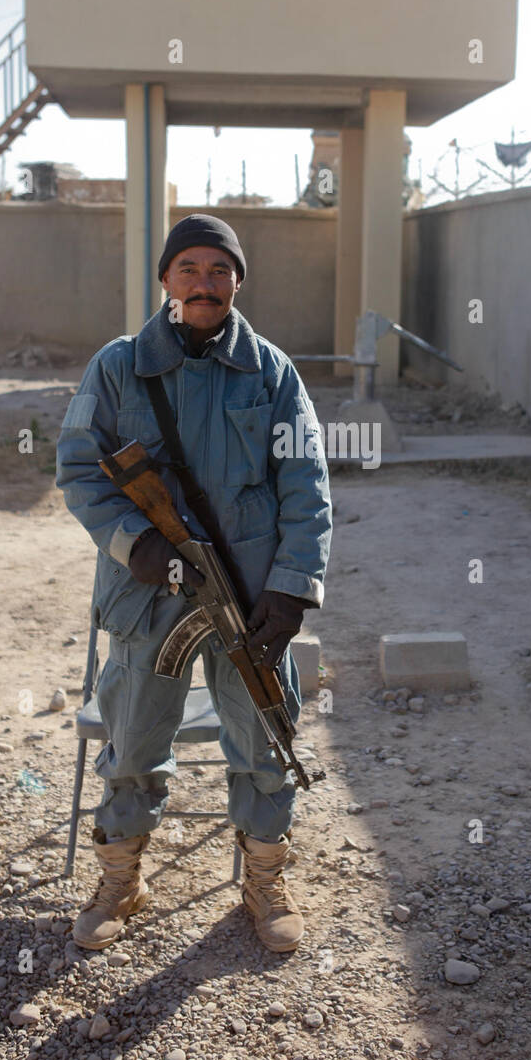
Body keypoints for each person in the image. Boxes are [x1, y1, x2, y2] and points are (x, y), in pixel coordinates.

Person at [56, 213, 331, 954]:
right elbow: (80, 468)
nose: (204, 284)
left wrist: (294, 586)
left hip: (248, 596)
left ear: (238, 281)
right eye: (190, 270)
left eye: (219, 270)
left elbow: (306, 482)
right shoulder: (117, 366)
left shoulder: (271, 372)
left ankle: (264, 877)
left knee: (264, 738)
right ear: (166, 280)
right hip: (149, 600)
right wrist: (135, 542)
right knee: (134, 739)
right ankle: (122, 878)